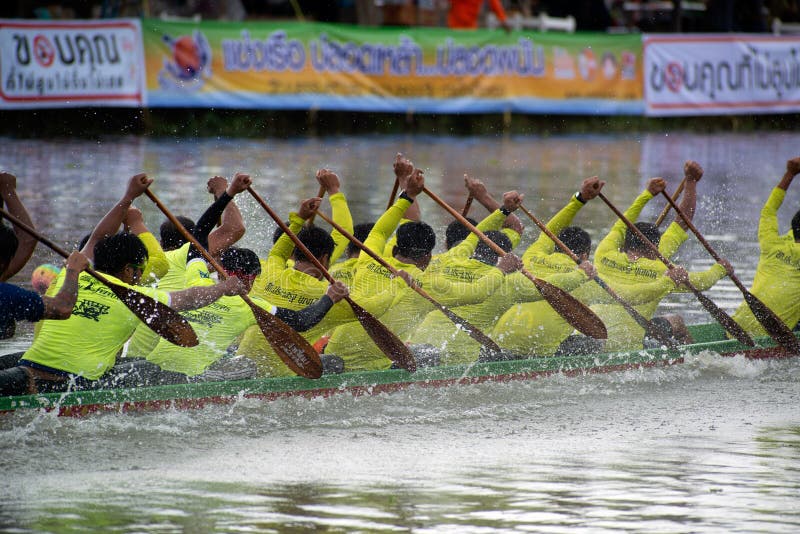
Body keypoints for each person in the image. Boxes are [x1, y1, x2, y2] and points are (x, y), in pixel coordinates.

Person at [0, 174, 247, 397]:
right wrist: (225, 288)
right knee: (149, 370)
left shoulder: (73, 274)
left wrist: (128, 196)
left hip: (29, 368)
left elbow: (97, 237)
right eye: (140, 270)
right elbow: (191, 298)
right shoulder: (136, 296)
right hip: (74, 384)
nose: (141, 276)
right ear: (129, 270)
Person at [323, 165, 523, 371]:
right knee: (428, 353)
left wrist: (407, 196)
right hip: (375, 368)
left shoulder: (369, 258)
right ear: (428, 256)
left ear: (394, 250)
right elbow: (477, 291)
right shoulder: (427, 283)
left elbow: (380, 232)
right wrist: (501, 269)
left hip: (333, 356)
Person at [106, 247, 349, 386]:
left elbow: (195, 248)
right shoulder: (250, 305)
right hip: (191, 381)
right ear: (252, 279)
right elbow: (302, 322)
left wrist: (223, 196)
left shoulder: (199, 285)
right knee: (249, 366)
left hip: (153, 371)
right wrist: (330, 297)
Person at [589, 166, 732, 352]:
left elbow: (621, 223)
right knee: (677, 321)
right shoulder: (663, 270)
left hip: (590, 339)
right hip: (625, 347)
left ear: (624, 243)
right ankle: (690, 361)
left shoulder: (603, 253)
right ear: (656, 249)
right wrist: (721, 269)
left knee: (663, 322)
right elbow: (684, 222)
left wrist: (647, 194)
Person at [237, 168, 357, 376]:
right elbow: (344, 233)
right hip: (284, 373)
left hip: (244, 364)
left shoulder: (266, 270)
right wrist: (334, 191)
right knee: (335, 361)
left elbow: (278, 253)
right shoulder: (324, 290)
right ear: (324, 259)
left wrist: (299, 218)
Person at [125, 174, 248, 359]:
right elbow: (234, 228)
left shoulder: (142, 266)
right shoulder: (188, 252)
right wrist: (224, 191)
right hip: (166, 360)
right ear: (199, 244)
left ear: (160, 241)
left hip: (134, 356)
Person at [732, 156, 800, 335]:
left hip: (736, 330)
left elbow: (769, 210)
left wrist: (790, 174)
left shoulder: (771, 244)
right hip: (773, 338)